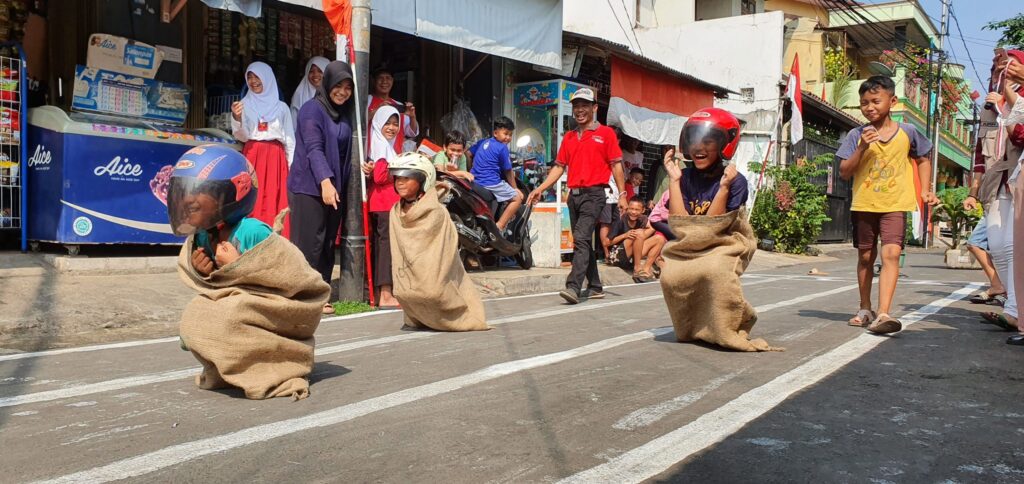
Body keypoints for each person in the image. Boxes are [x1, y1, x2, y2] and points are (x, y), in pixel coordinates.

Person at [169, 144, 329, 400]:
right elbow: (214, 284)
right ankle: (229, 367)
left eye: (198, 194)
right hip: (237, 301)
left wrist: (239, 263)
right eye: (184, 193)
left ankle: (270, 367)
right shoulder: (200, 237)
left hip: (270, 307)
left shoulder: (253, 231)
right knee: (194, 317)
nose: (187, 201)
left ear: (233, 193)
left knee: (231, 316)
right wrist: (204, 270)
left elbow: (278, 273)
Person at [659, 107, 777, 352]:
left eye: (708, 141)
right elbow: (680, 221)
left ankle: (733, 325)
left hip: (725, 242)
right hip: (690, 243)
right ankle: (691, 328)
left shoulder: (736, 181)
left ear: (724, 144)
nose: (698, 147)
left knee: (714, 272)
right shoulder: (684, 176)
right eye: (693, 141)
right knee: (670, 276)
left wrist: (723, 187)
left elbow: (713, 225)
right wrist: (674, 180)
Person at [837, 75, 938, 334]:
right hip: (864, 205)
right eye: (864, 103)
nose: (869, 107)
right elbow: (844, 172)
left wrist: (925, 190)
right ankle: (864, 308)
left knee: (891, 254)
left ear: (892, 101)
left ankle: (883, 313)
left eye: (875, 101)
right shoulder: (855, 135)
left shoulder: (908, 132)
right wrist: (861, 147)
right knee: (866, 256)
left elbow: (924, 158)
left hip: (895, 204)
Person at [528, 88, 627, 304]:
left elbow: (617, 166)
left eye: (584, 105)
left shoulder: (606, 134)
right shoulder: (570, 137)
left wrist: (623, 194)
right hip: (573, 195)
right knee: (582, 242)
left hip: (595, 194)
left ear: (594, 108)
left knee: (581, 239)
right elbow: (558, 167)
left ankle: (573, 287)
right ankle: (595, 285)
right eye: (576, 106)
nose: (580, 110)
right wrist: (540, 188)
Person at [387, 152, 488, 331]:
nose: (400, 182)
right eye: (397, 178)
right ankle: (414, 318)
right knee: (404, 291)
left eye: (407, 177)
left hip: (432, 268)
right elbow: (398, 249)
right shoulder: (395, 212)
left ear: (423, 180)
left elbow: (443, 249)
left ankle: (454, 316)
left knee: (433, 291)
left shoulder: (436, 212)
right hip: (407, 270)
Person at [288, 61, 355, 315]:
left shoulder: (345, 113)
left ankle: (320, 291)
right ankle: (302, 295)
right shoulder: (311, 110)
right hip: (309, 186)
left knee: (327, 243)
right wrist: (325, 181)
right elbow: (314, 149)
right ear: (326, 85)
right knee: (309, 243)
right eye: (338, 85)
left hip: (333, 186)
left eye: (348, 87)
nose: (343, 92)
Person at [232, 62, 295, 235]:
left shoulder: (281, 108)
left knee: (275, 197)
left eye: (257, 76)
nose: (253, 81)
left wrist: (292, 166)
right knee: (253, 196)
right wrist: (237, 118)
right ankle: (251, 238)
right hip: (253, 154)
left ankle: (274, 239)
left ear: (267, 78)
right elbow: (241, 136)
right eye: (249, 77)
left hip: (276, 157)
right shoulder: (243, 105)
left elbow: (289, 139)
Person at [989, 50, 1024, 345]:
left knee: (1016, 247)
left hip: (1016, 174)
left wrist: (1011, 100)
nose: (1004, 69)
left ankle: (1014, 309)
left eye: (1010, 64)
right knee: (1002, 245)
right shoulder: (995, 102)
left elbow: (1019, 135)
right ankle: (1014, 308)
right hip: (1006, 178)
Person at [363, 105, 402, 308]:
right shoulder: (380, 147)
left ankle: (382, 294)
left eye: (395, 124)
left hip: (384, 203)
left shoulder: (385, 146)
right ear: (378, 124)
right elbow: (379, 177)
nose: (392, 128)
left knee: (383, 247)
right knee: (385, 248)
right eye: (387, 123)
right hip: (384, 203)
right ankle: (386, 294)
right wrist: (400, 172)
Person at [469, 116, 524, 231]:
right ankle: (499, 226)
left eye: (510, 135)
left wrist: (472, 168)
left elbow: (468, 153)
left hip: (475, 181)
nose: (508, 138)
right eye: (505, 134)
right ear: (495, 133)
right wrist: (516, 189)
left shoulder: (483, 142)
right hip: (491, 182)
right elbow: (508, 171)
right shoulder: (502, 148)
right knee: (517, 198)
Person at [608, 197, 665, 282]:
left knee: (660, 238)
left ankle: (646, 270)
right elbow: (607, 243)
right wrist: (625, 235)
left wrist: (643, 233)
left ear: (642, 210)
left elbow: (652, 228)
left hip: (633, 255)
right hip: (617, 256)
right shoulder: (621, 219)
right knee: (638, 234)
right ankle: (637, 269)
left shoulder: (642, 219)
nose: (633, 212)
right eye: (631, 209)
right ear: (627, 208)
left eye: (637, 210)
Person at [367, 66, 419, 153]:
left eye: (388, 78)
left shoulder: (398, 106)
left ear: (392, 81)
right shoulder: (367, 101)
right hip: (371, 157)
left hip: (395, 157)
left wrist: (412, 117)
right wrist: (377, 110)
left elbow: (411, 133)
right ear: (374, 81)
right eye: (380, 78)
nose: (384, 81)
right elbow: (359, 122)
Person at [289, 56, 329, 128]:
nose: (315, 75)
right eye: (311, 71)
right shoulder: (299, 95)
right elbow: (293, 125)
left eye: (320, 71)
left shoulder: (335, 94)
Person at [598, 173, 621, 262]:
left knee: (616, 224)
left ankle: (613, 251)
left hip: (617, 197)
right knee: (606, 224)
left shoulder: (620, 163)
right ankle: (606, 253)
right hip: (607, 197)